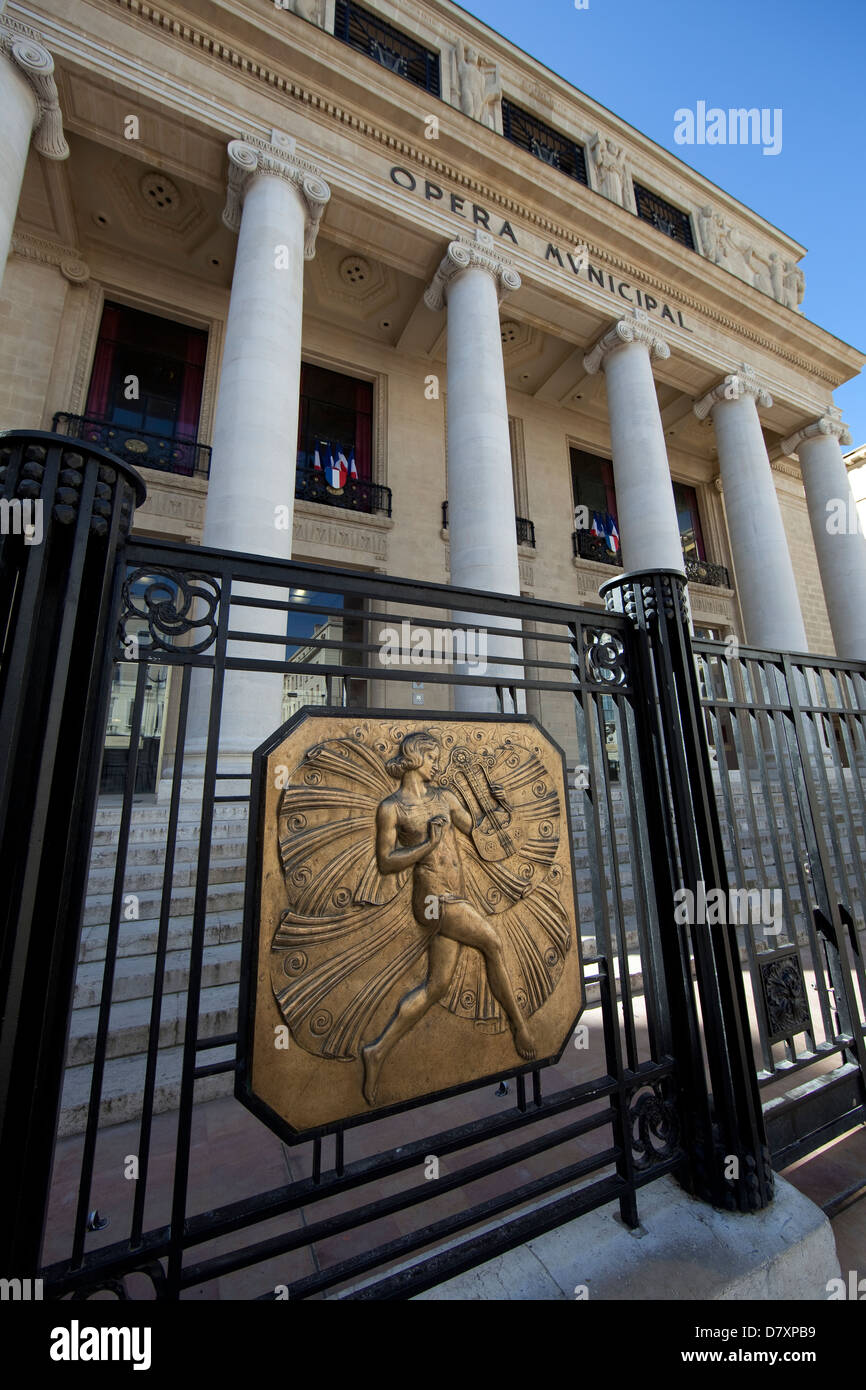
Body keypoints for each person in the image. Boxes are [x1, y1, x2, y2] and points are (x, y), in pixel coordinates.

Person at [361, 731, 535, 1104]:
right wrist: (426, 846)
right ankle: (520, 1027)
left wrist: (503, 809)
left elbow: (479, 833)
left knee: (436, 986)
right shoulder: (391, 808)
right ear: (415, 758)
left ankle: (377, 1051)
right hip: (432, 901)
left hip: (456, 896)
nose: (438, 764)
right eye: (433, 757)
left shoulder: (445, 798)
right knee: (493, 942)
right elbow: (385, 861)